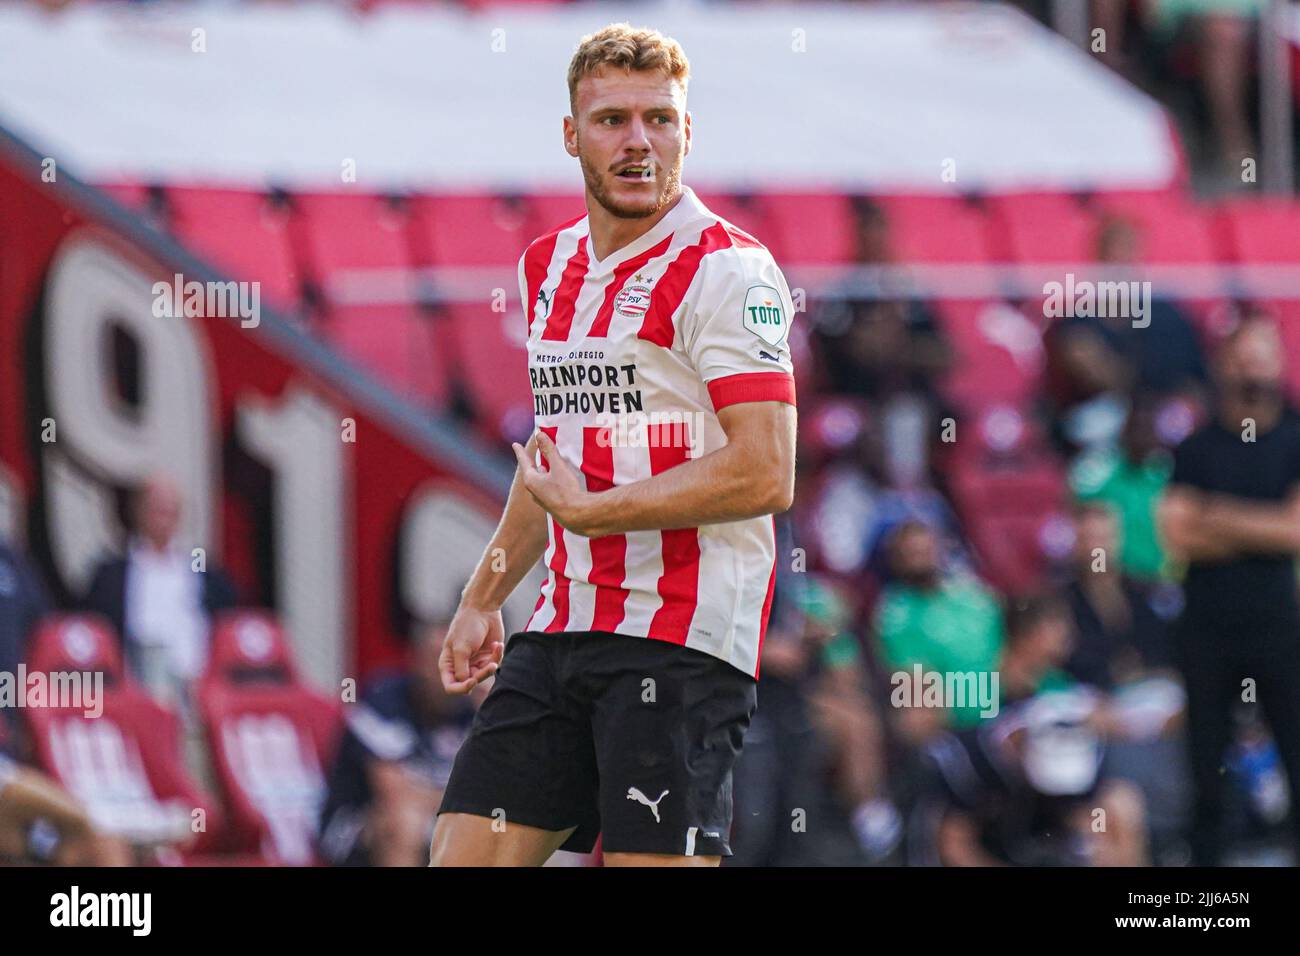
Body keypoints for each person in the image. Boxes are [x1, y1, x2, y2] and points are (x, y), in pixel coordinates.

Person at [428, 24, 798, 868]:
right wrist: (484, 596)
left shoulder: (728, 272)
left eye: (660, 120)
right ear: (571, 136)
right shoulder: (546, 266)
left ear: (687, 133)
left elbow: (765, 468)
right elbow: (551, 455)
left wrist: (599, 512)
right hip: (559, 627)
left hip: (679, 642)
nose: (639, 142)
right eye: (613, 120)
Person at [1158, 314, 1300, 865]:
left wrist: (1213, 515)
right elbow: (1176, 535)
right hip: (1207, 628)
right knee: (1207, 770)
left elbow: (1295, 530)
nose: (1254, 367)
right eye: (1244, 355)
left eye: (1265, 353)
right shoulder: (1195, 448)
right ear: (1223, 364)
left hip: (1277, 625)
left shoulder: (1293, 438)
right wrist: (1265, 528)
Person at [319, 626, 475, 867]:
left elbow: (506, 790)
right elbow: (394, 793)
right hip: (351, 827)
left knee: (518, 829)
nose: (447, 672)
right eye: (438, 660)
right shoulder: (381, 700)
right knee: (406, 821)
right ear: (416, 660)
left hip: (439, 816)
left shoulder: (474, 710)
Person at [82, 475, 236, 703]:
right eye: (156, 509)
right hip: (135, 686)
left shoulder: (197, 565)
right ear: (138, 512)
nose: (163, 518)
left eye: (170, 510)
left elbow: (227, 613)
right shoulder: (113, 571)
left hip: (194, 685)